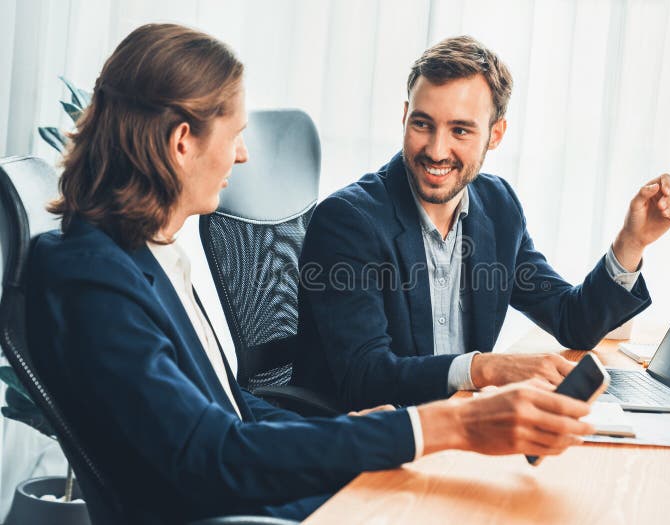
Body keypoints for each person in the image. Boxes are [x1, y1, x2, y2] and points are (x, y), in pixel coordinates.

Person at [26, 24, 595, 524]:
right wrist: (450, 426)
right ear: (183, 143)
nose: (242, 156)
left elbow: (233, 408)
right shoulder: (92, 278)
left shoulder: (144, 256)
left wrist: (361, 431)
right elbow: (211, 455)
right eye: (235, 134)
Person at [293, 36, 670, 411]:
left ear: (495, 134)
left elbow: (573, 322)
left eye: (460, 130)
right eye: (422, 124)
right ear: (404, 117)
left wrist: (632, 242)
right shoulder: (348, 221)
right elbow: (365, 376)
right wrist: (486, 369)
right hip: (375, 438)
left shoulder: (498, 207)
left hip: (464, 427)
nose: (437, 150)